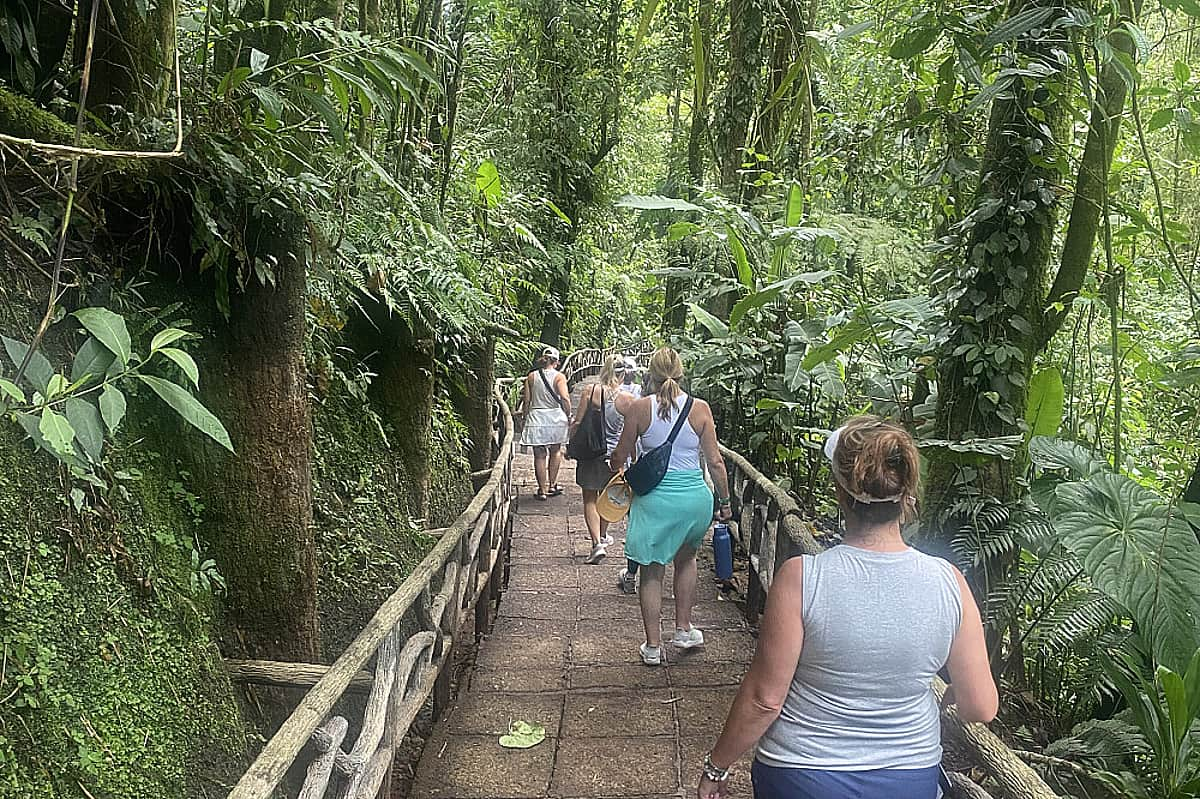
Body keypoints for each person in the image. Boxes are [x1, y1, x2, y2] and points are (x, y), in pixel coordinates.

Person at [696, 416, 997, 799]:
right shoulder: (949, 581)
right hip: (906, 777)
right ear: (907, 494)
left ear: (841, 491)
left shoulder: (803, 577)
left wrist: (716, 766)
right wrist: (953, 692)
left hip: (803, 774)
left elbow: (765, 699)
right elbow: (981, 706)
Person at [610, 347, 731, 666]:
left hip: (655, 500)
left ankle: (652, 646)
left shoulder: (638, 408)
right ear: (680, 374)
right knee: (686, 560)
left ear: (650, 373)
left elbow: (620, 455)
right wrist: (726, 503)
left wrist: (622, 466)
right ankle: (683, 629)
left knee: (652, 570)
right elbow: (716, 463)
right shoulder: (700, 408)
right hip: (694, 500)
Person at [572, 355, 628, 564]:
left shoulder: (591, 391)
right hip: (613, 455)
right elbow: (631, 432)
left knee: (589, 498)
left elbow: (577, 422)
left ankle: (596, 543)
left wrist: (570, 443)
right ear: (623, 374)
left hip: (590, 452)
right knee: (607, 497)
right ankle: (602, 537)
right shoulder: (626, 399)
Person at [518, 346, 571, 500]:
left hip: (536, 417)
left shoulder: (531, 377)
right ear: (557, 362)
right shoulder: (559, 377)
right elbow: (565, 398)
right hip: (555, 417)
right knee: (555, 451)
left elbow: (527, 401)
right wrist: (568, 415)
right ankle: (552, 485)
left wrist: (525, 417)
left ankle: (541, 490)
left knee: (539, 455)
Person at [615, 355, 642, 592]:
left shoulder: (639, 408)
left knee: (638, 525)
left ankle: (632, 574)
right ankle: (683, 624)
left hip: (645, 476)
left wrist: (619, 465)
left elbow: (626, 447)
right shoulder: (694, 409)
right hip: (683, 482)